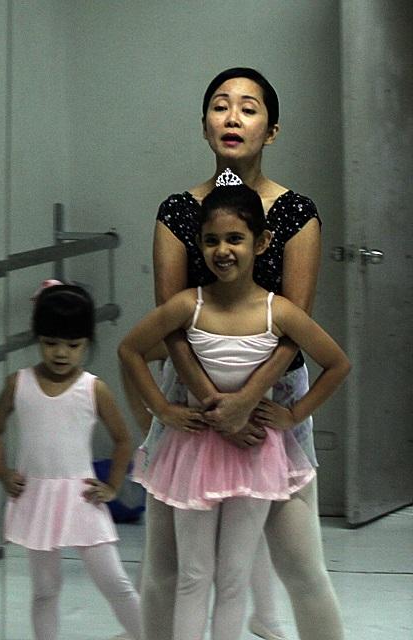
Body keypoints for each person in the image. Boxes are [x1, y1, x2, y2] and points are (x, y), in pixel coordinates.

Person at [135, 67, 347, 640]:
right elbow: (171, 325)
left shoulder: (296, 212)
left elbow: (295, 327)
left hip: (271, 402)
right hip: (190, 398)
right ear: (204, 124)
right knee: (167, 567)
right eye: (220, 106)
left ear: (271, 130)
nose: (233, 117)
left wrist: (247, 402)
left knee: (301, 566)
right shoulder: (179, 211)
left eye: (249, 108)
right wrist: (211, 402)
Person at [0, 282, 142, 640]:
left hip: (82, 497)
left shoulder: (93, 388)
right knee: (45, 589)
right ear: (38, 339)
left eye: (73, 345)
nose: (60, 353)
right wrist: (3, 473)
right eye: (50, 343)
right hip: (36, 497)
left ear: (87, 343)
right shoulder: (18, 383)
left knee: (115, 581)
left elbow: (123, 439)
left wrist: (113, 486)